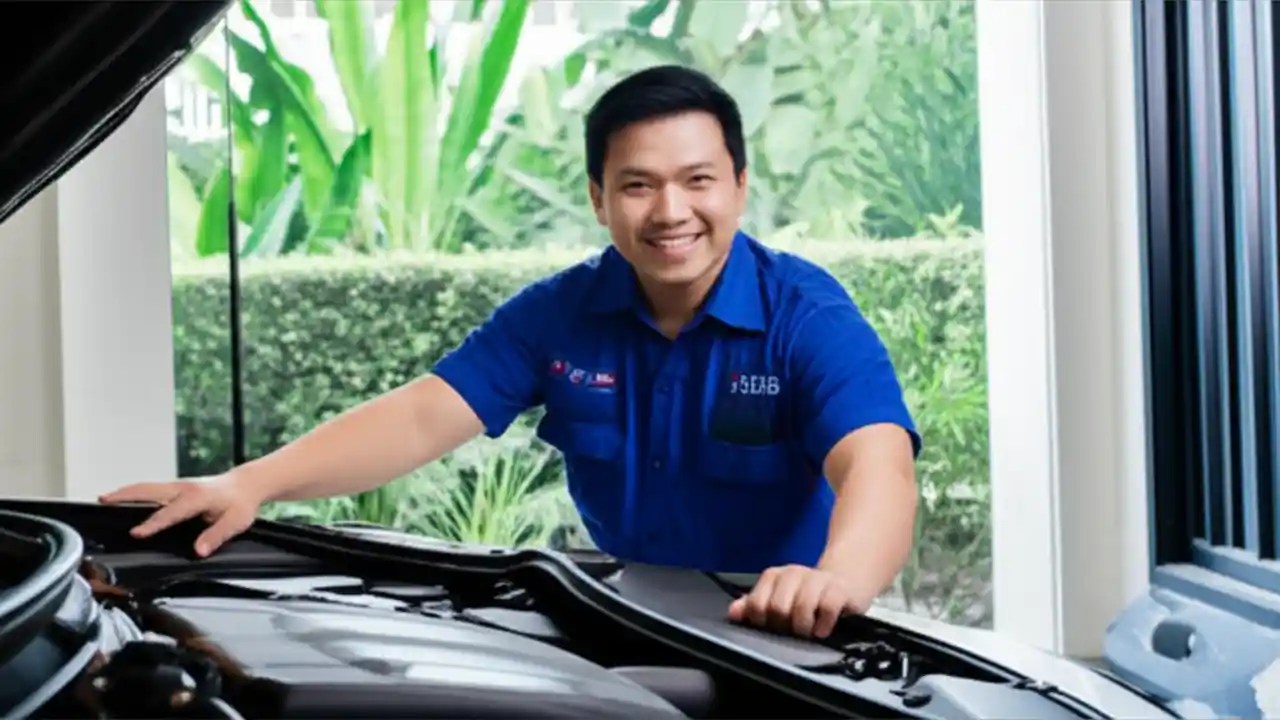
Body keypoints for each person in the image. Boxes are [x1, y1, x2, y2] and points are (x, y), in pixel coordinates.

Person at [101, 64, 921, 640]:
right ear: (599, 199)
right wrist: (249, 483)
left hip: (784, 635)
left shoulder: (807, 317)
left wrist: (836, 580)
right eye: (638, 185)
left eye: (698, 180)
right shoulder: (559, 313)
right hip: (630, 624)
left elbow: (878, 465)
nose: (671, 210)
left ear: (739, 185)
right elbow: (422, 417)